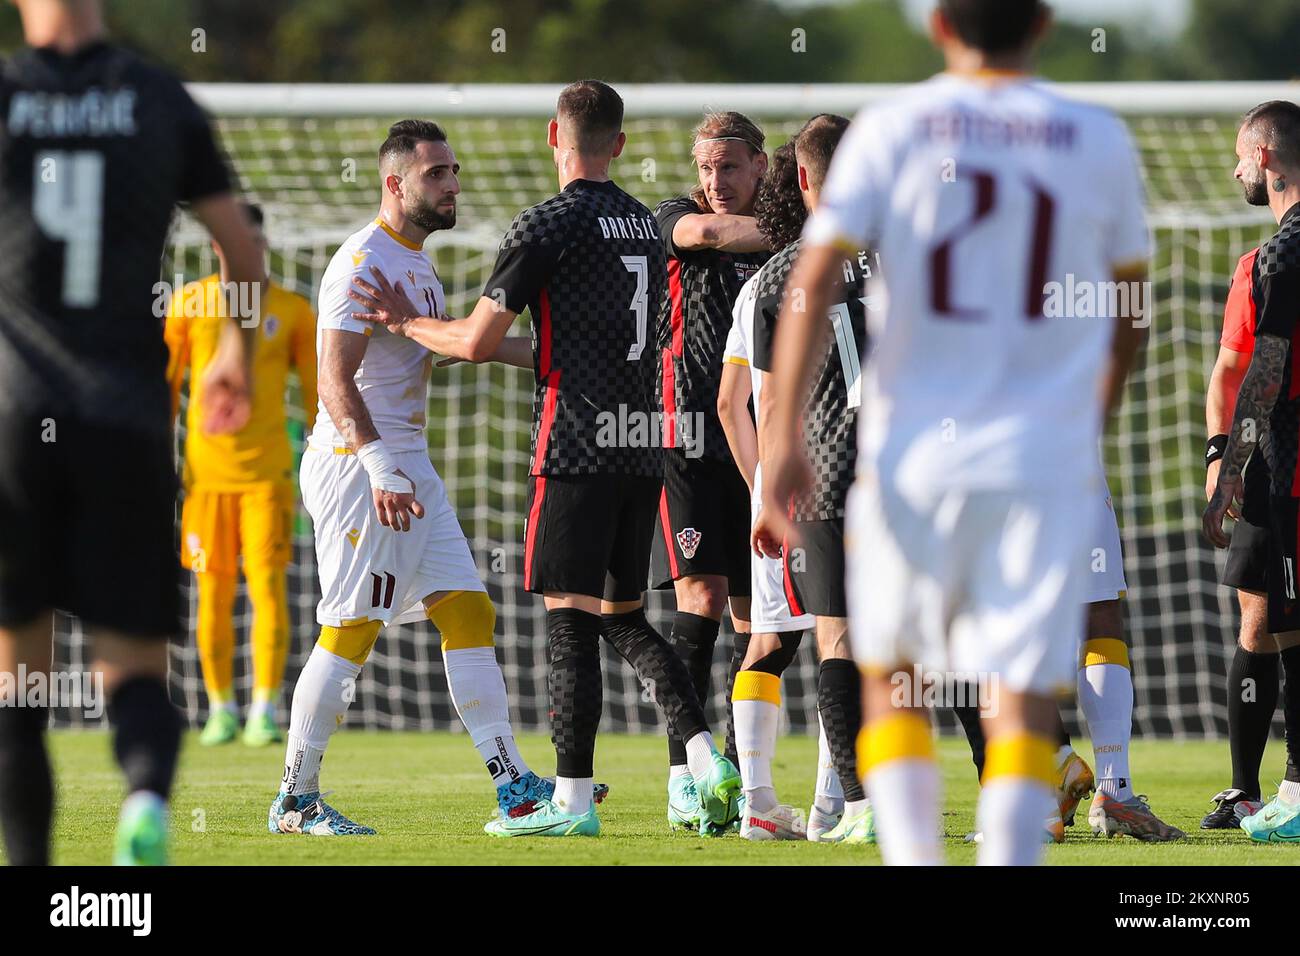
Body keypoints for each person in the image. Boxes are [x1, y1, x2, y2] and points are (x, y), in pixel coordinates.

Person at [758, 0, 1149, 864]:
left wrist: (782, 437)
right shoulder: (1095, 136)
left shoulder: (893, 131)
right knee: (1015, 690)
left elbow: (812, 280)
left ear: (937, 25)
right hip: (1037, 458)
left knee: (898, 678)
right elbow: (1129, 310)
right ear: (1044, 23)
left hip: (909, 459)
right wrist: (1088, 411)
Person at [348, 82, 742, 837]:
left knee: (567, 619)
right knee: (625, 618)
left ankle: (569, 802)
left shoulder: (548, 224)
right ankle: (703, 757)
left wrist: (406, 321)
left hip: (575, 445)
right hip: (643, 443)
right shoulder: (648, 224)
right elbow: (557, 346)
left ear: (554, 137)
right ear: (619, 144)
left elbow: (471, 342)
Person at [0, 0, 258, 866]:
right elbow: (238, 248)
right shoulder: (158, 95)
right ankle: (144, 797)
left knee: (17, 678)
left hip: (13, 418)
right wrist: (234, 351)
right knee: (135, 665)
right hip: (125, 416)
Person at [269, 120, 555, 837]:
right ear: (395, 183)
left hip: (408, 466)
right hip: (363, 466)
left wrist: (556, 350)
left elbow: (458, 344)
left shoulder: (416, 262)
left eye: (454, 171)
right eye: (437, 174)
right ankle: (296, 801)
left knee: (467, 612)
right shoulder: (361, 261)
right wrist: (379, 463)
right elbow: (333, 383)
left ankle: (514, 787)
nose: (453, 184)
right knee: (353, 627)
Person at [651, 110, 770, 828]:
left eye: (729, 167)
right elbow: (708, 235)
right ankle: (685, 777)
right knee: (699, 597)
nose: (715, 183)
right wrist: (823, 233)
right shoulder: (678, 217)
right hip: (689, 440)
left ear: (760, 166)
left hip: (765, 445)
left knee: (765, 622)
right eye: (706, 168)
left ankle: (745, 780)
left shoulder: (788, 241)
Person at [166, 202, 317, 748]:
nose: (247, 249)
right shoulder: (189, 303)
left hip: (268, 476)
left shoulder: (293, 311)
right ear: (216, 248)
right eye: (237, 241)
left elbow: (318, 397)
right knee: (211, 592)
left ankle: (262, 710)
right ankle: (221, 707)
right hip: (205, 478)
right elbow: (166, 386)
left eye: (255, 240)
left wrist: (327, 463)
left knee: (269, 590)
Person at [1204, 99, 1300, 844]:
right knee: (1276, 621)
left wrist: (1230, 471)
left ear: (1266, 159)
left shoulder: (1281, 254)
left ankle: (1295, 791)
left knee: (1291, 627)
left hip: (1288, 469)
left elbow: (1264, 373)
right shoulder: (1262, 259)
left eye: (1241, 154)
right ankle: (1272, 785)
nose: (1236, 168)